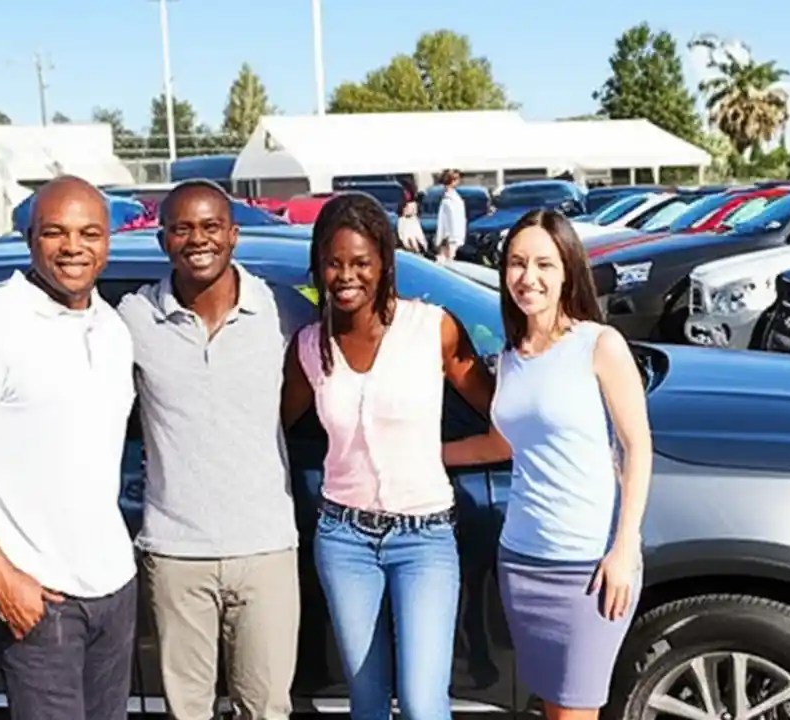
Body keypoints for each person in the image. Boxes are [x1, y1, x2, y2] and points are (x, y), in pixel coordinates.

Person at [0, 176, 138, 720]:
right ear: (30, 238)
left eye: (90, 233)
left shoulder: (111, 327)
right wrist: (1, 579)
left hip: (113, 586)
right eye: (55, 232)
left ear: (108, 241)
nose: (73, 247)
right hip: (40, 595)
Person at [280, 192, 495, 720]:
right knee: (367, 702)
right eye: (334, 263)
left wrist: (440, 453)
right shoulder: (310, 346)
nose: (346, 276)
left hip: (424, 538)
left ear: (384, 263)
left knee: (423, 705)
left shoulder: (431, 328)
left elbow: (504, 415)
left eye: (360, 263)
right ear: (319, 266)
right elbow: (269, 426)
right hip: (343, 538)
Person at [442, 209, 652, 720]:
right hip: (522, 560)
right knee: (553, 709)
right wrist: (427, 455)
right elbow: (502, 442)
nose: (527, 277)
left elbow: (637, 446)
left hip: (588, 567)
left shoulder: (598, 345)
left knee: (577, 712)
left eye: (543, 264)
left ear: (566, 272)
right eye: (516, 263)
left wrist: (624, 548)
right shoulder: (513, 357)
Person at [117, 180, 301, 720]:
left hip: (266, 548)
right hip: (175, 552)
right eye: (182, 228)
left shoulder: (280, 309)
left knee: (266, 709)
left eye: (211, 226)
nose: (198, 239)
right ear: (162, 239)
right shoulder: (133, 318)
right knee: (187, 712)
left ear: (234, 234)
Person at [433, 170, 466, 264]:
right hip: (451, 237)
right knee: (449, 260)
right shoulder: (448, 200)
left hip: (454, 236)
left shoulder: (451, 197)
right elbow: (447, 221)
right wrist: (447, 237)